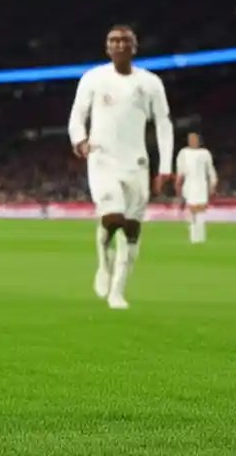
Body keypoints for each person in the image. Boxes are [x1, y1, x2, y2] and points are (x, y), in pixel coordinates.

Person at [68, 25, 173, 310]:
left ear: (134, 47)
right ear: (107, 47)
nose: (119, 45)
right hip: (102, 158)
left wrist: (165, 166)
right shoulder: (94, 78)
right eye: (113, 41)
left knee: (132, 230)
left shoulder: (150, 82)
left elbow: (163, 123)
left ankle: (118, 291)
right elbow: (77, 115)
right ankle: (103, 261)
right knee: (112, 217)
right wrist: (80, 141)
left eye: (125, 40)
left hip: (136, 162)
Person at [176, 132, 218, 244]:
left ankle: (200, 237)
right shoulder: (183, 153)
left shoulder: (205, 153)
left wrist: (213, 184)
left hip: (201, 185)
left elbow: (210, 170)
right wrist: (178, 185)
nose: (193, 141)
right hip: (189, 185)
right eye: (190, 139)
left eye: (194, 139)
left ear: (199, 140)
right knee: (192, 212)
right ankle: (194, 237)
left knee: (200, 211)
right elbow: (180, 171)